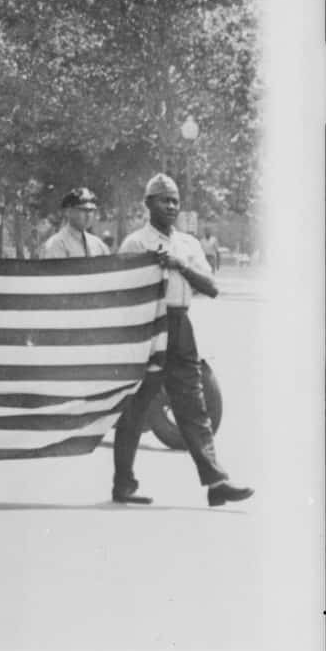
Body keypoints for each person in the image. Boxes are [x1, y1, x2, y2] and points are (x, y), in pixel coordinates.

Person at [110, 174, 251, 506]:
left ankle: (217, 483)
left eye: (174, 200)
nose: (171, 206)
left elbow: (212, 287)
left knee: (194, 406)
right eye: (163, 199)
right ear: (148, 204)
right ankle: (123, 484)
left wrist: (181, 266)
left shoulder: (188, 244)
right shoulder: (135, 243)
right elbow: (119, 291)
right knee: (137, 406)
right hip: (146, 326)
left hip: (180, 324)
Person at [41, 186, 109, 259]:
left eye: (91, 210)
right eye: (83, 210)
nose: (88, 215)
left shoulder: (98, 244)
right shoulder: (56, 244)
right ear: (68, 212)